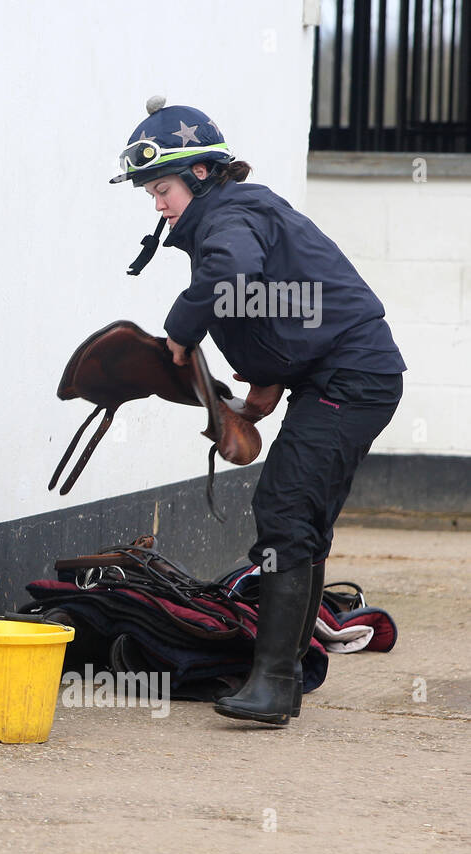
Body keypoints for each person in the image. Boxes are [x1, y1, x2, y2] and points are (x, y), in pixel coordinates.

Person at [110, 97, 406, 726]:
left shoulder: (230, 218)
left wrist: (179, 333)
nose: (156, 204)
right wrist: (255, 400)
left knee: (284, 509)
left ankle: (273, 684)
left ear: (198, 176)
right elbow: (277, 319)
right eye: (148, 194)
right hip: (347, 376)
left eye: (161, 188)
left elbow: (234, 275)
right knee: (301, 520)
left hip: (349, 379)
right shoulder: (239, 213)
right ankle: (284, 679)